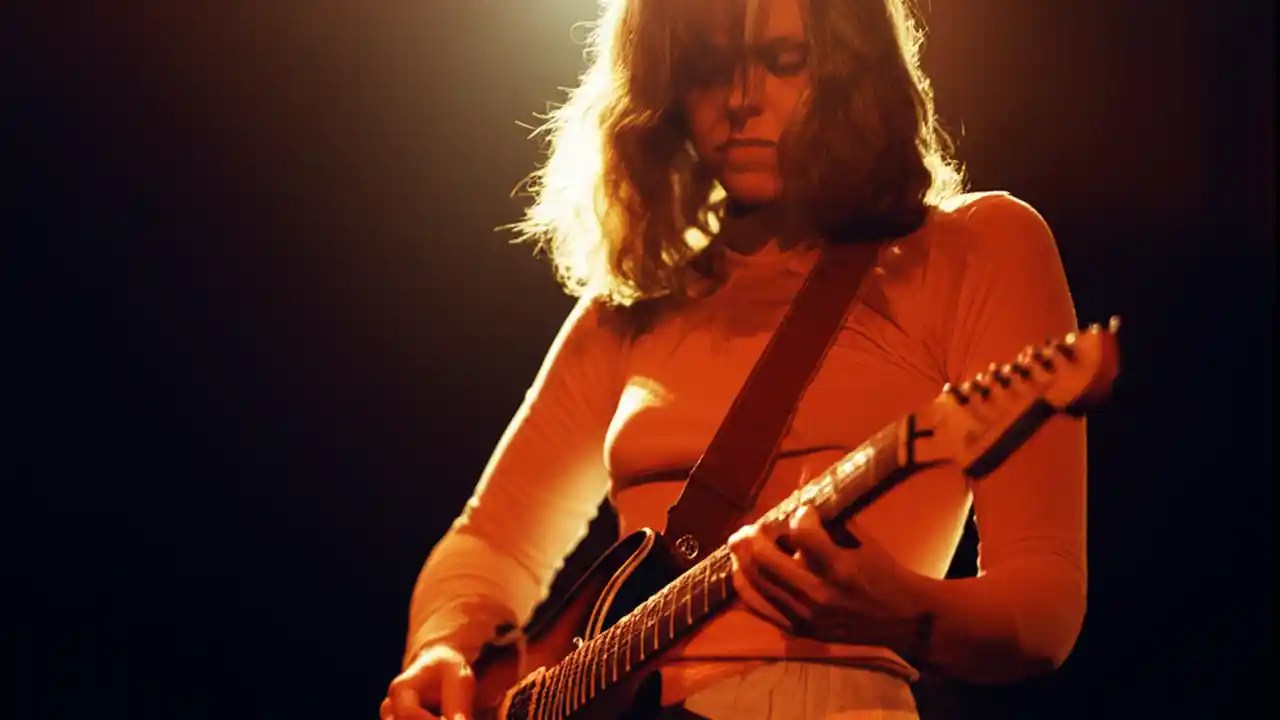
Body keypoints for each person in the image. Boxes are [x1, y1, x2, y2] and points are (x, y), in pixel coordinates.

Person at [381, 0, 1087, 717]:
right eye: (706, 67)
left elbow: (1045, 607)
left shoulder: (973, 248)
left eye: (784, 61)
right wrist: (444, 648)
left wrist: (904, 613)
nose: (741, 100)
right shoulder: (631, 309)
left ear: (854, 64)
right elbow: (493, 541)